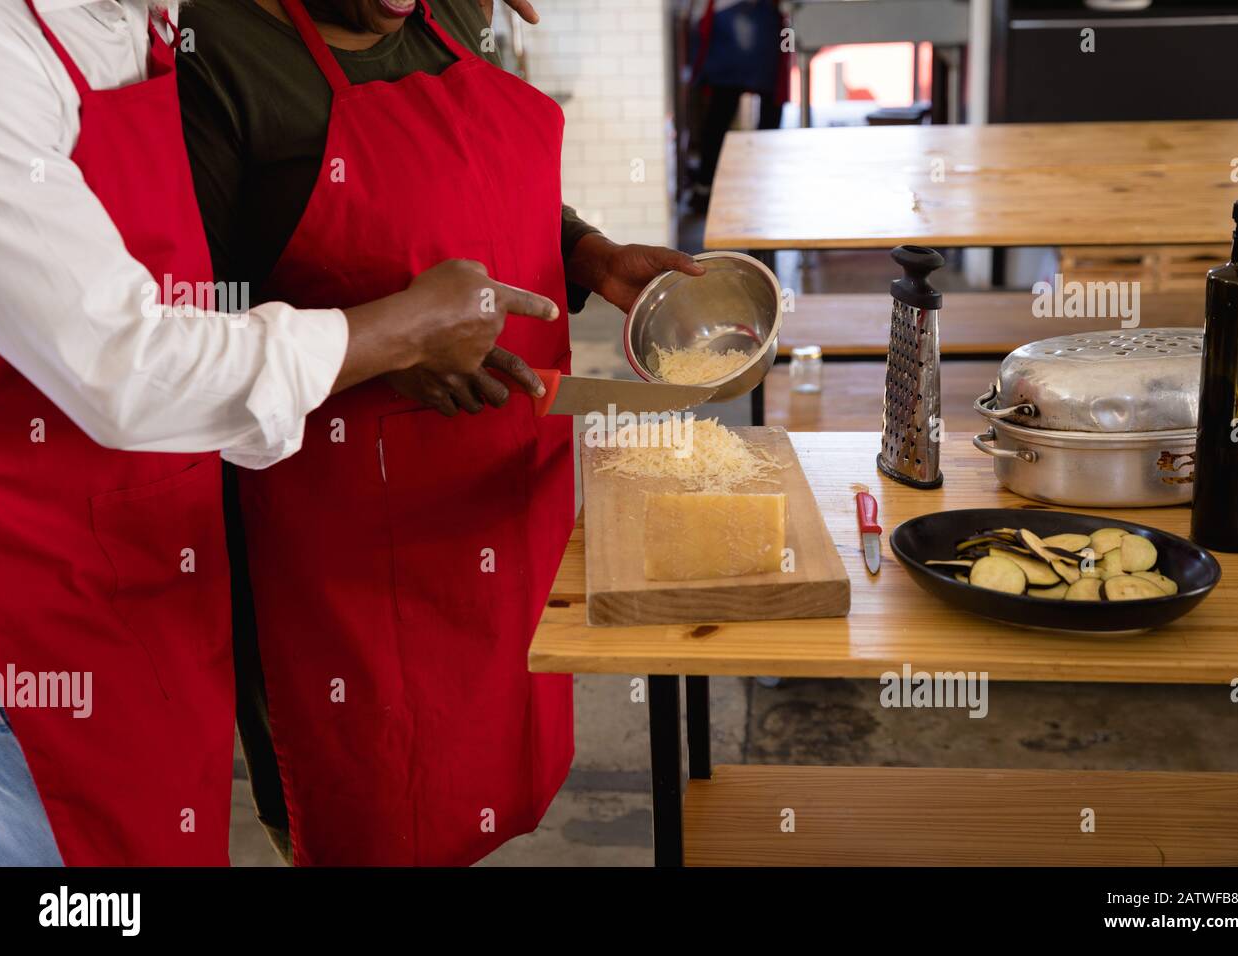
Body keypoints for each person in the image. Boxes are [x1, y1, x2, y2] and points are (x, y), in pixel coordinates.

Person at [0, 0, 550, 865]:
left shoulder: (150, 20)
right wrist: (392, 333)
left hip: (156, 567)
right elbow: (123, 363)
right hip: (24, 608)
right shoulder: (6, 54)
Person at [178, 0, 703, 865]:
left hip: (501, 499)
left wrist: (586, 252)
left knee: (494, 764)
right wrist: (388, 347)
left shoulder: (449, 10)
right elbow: (191, 330)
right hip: (343, 543)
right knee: (370, 807)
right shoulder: (218, 53)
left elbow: (478, 178)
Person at [687, 0, 790, 211]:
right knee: (765, 114)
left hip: (730, 15)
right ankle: (766, 186)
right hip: (752, 17)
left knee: (720, 112)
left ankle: (706, 188)